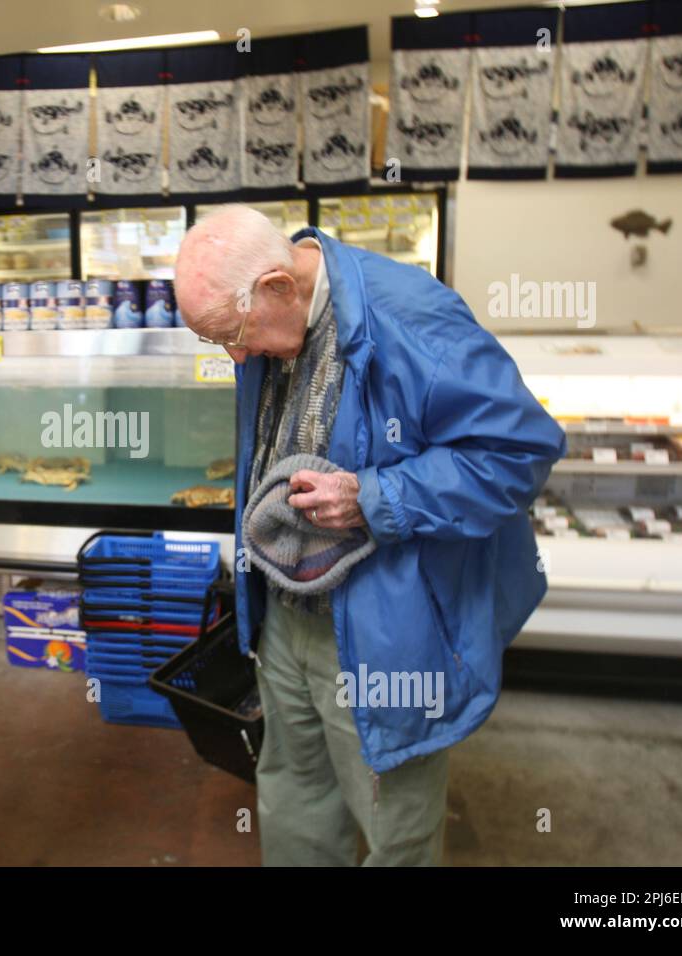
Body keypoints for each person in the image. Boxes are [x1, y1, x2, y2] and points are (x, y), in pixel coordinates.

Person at [174, 204, 565, 866]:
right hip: (284, 619)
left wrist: (375, 497)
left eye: (232, 334)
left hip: (384, 629)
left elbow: (518, 449)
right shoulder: (273, 315)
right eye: (218, 341)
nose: (236, 355)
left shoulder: (411, 317)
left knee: (395, 823)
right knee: (294, 802)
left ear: (275, 285)